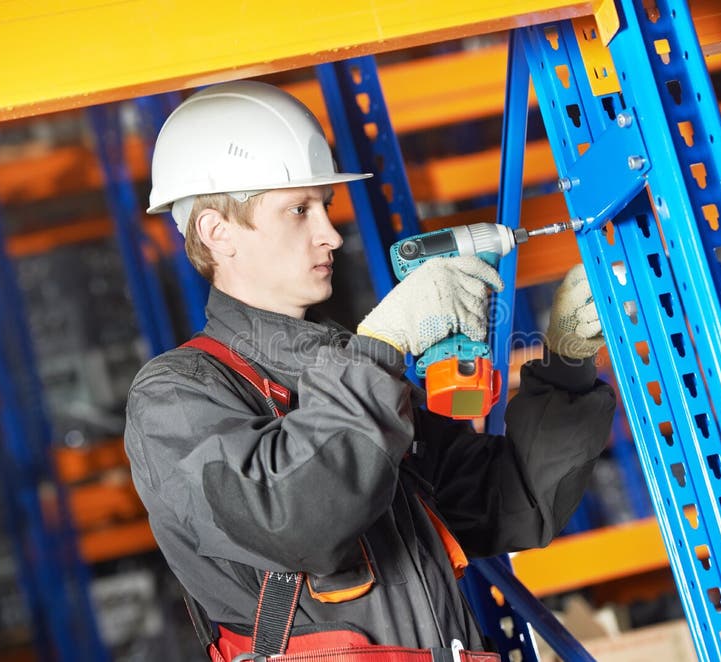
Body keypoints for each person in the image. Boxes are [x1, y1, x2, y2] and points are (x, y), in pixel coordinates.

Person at [124, 80, 615, 662]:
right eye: (298, 210)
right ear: (216, 232)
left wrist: (566, 365)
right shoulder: (176, 398)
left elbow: (510, 504)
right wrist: (380, 347)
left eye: (325, 207)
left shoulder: (352, 372)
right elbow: (295, 518)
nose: (330, 234)